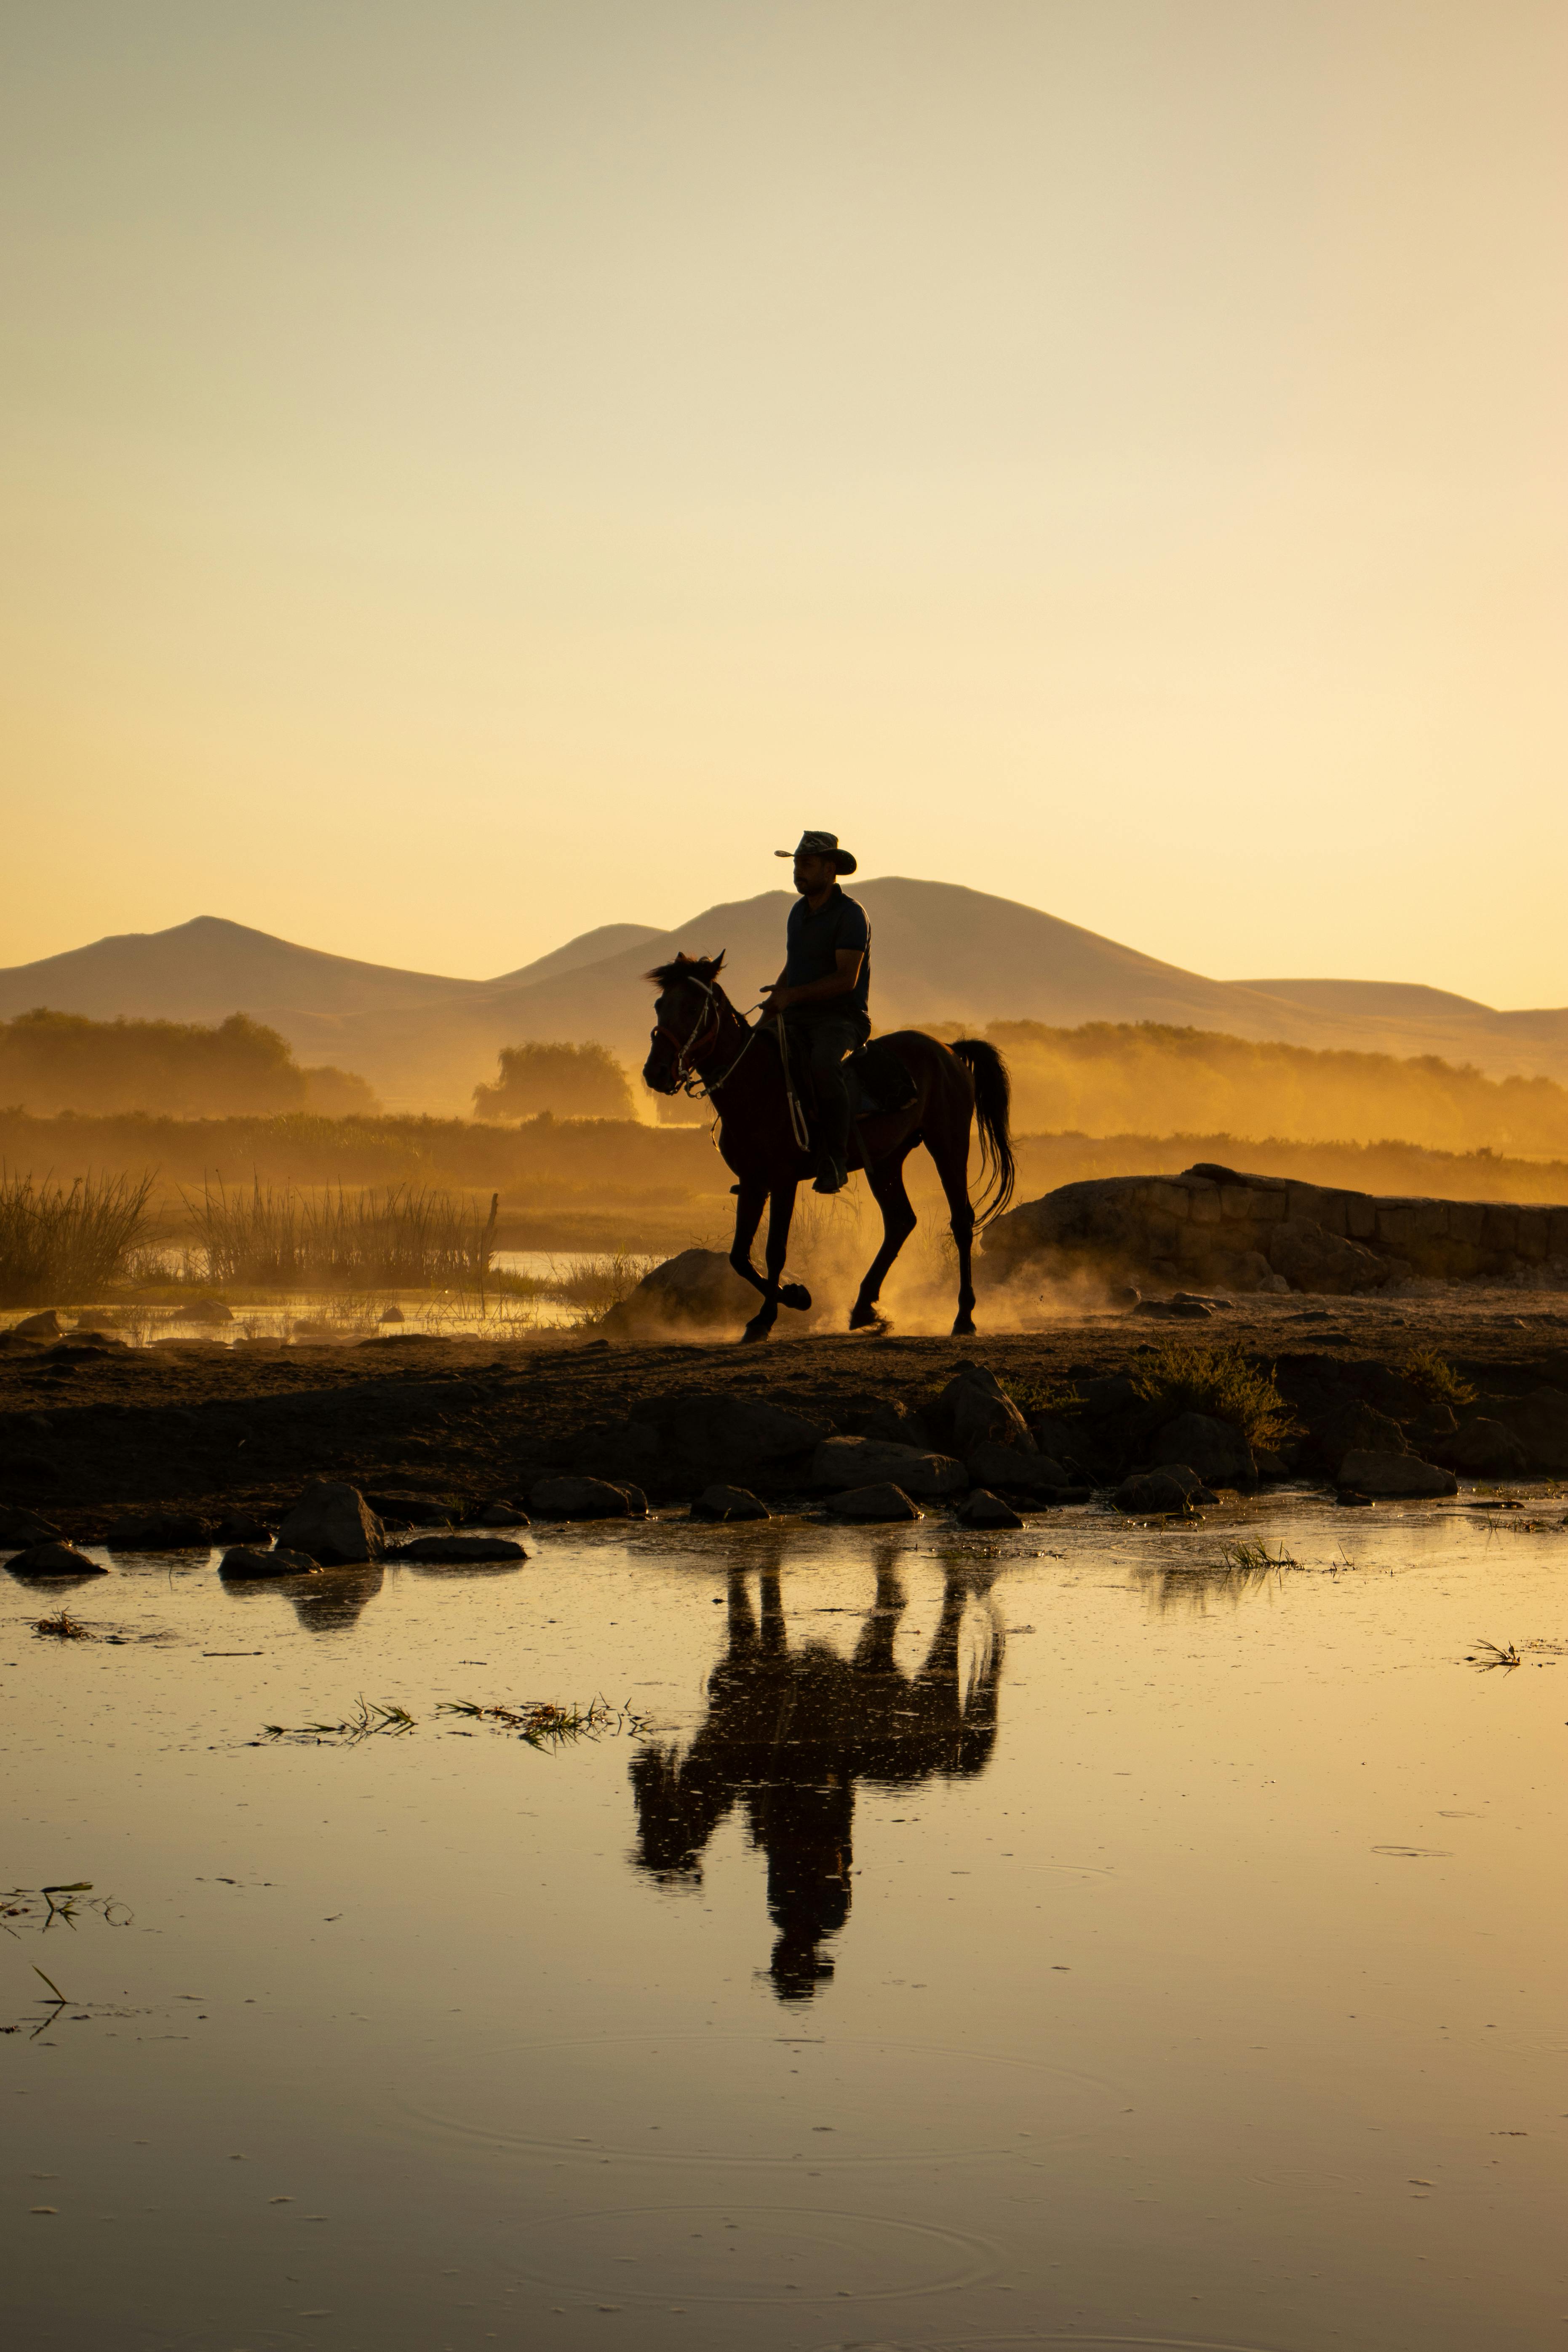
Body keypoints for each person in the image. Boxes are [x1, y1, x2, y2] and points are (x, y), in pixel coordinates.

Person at [759, 830, 871, 1195]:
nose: (797, 872)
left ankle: (835, 1161)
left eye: (806, 865)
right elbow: (793, 968)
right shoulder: (798, 912)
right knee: (756, 1059)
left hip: (841, 1018)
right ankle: (762, 1157)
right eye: (795, 865)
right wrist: (775, 1004)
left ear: (829, 869)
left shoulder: (851, 915)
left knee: (823, 1064)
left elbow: (846, 979)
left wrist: (792, 997)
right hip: (797, 1015)